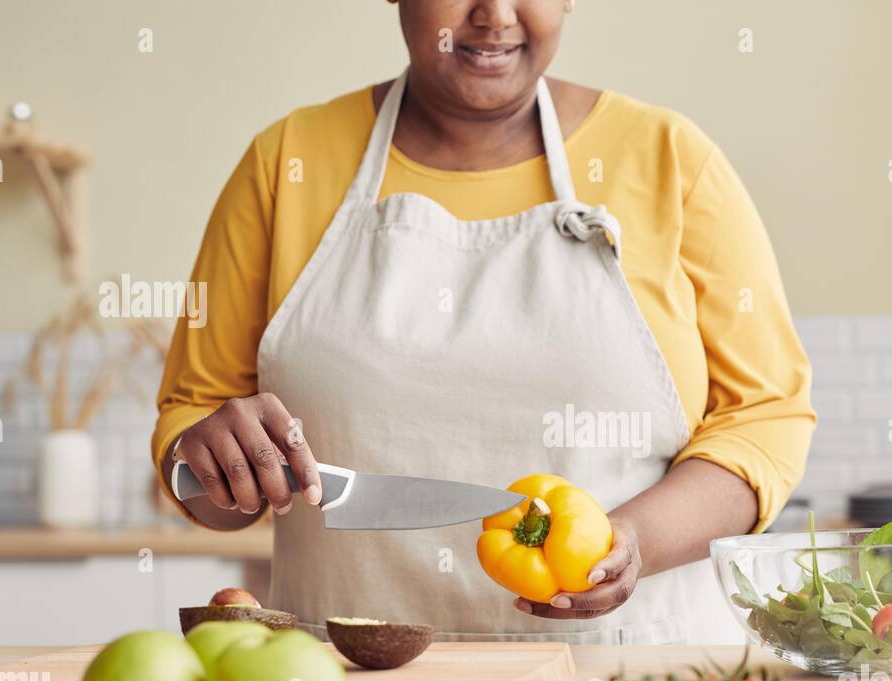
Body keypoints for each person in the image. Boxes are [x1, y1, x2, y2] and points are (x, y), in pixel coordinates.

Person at [153, 0, 815, 644]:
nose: (495, 15)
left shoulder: (670, 159)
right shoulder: (285, 163)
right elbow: (195, 420)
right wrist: (216, 459)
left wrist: (638, 539)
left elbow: (765, 416)